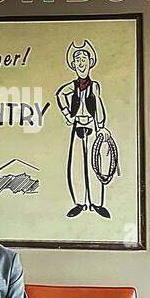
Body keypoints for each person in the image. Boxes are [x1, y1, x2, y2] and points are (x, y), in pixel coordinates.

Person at [56, 39, 111, 218]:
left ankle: (96, 203)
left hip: (92, 128)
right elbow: (60, 94)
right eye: (77, 60)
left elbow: (99, 107)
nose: (81, 63)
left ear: (90, 62)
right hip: (78, 127)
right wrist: (67, 114)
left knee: (94, 165)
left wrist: (101, 126)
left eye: (84, 59)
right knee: (77, 166)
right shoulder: (72, 86)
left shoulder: (94, 86)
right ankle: (80, 202)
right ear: (73, 64)